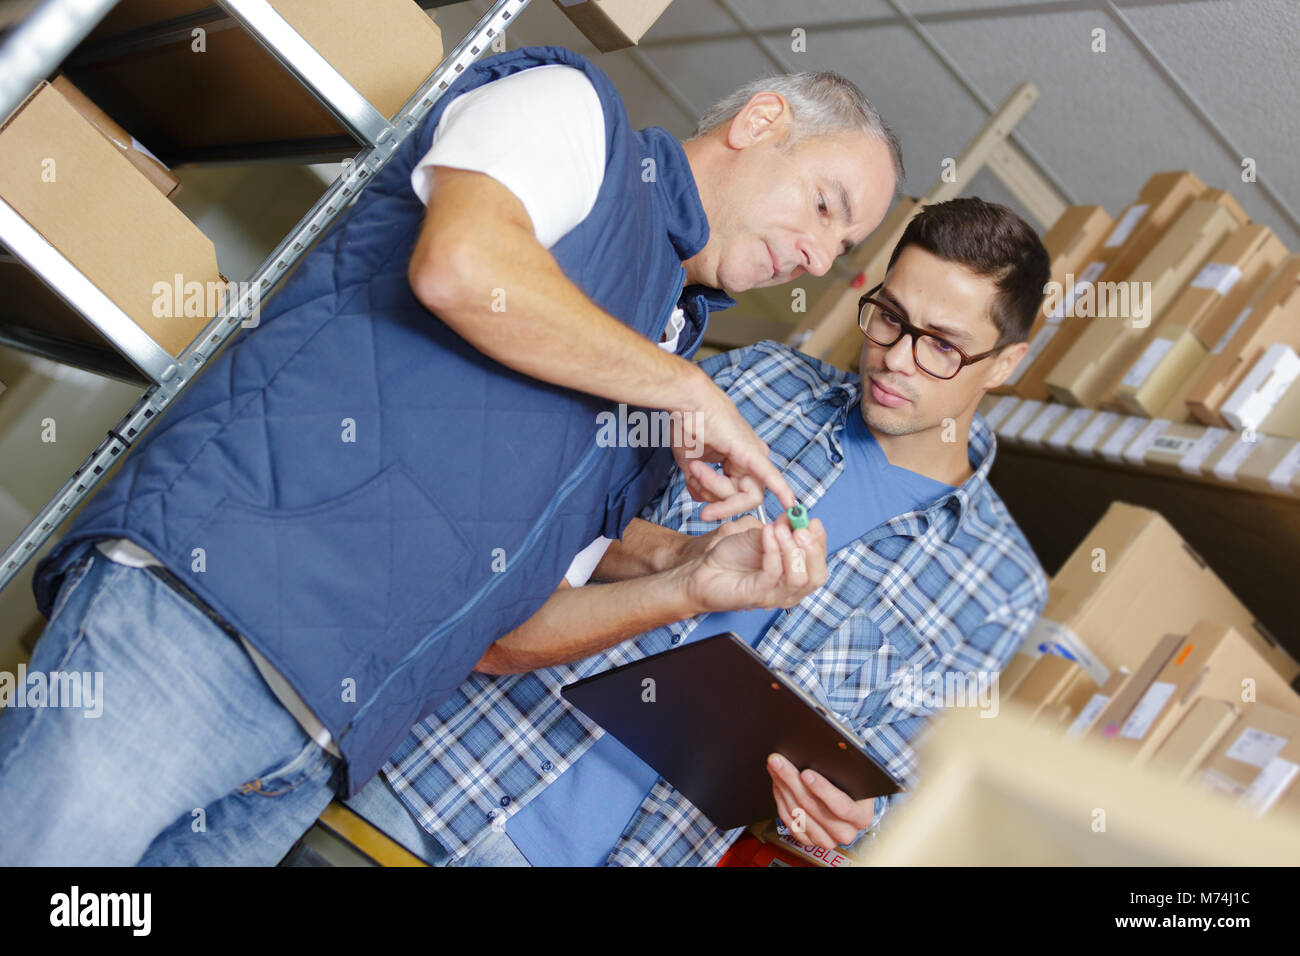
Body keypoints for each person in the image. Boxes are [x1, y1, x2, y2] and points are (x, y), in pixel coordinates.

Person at [0, 45, 902, 864]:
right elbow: (465, 266)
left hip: (318, 751)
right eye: (825, 207)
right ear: (760, 124)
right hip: (209, 627)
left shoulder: (657, 380)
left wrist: (686, 585)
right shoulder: (575, 113)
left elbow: (501, 635)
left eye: (842, 248)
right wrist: (685, 391)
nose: (819, 255)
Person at [339, 197, 1054, 867]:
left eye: (942, 347)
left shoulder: (998, 584)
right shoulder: (758, 383)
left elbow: (896, 797)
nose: (896, 357)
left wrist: (850, 822)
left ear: (1006, 364)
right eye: (890, 317)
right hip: (446, 777)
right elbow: (554, 519)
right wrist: (673, 559)